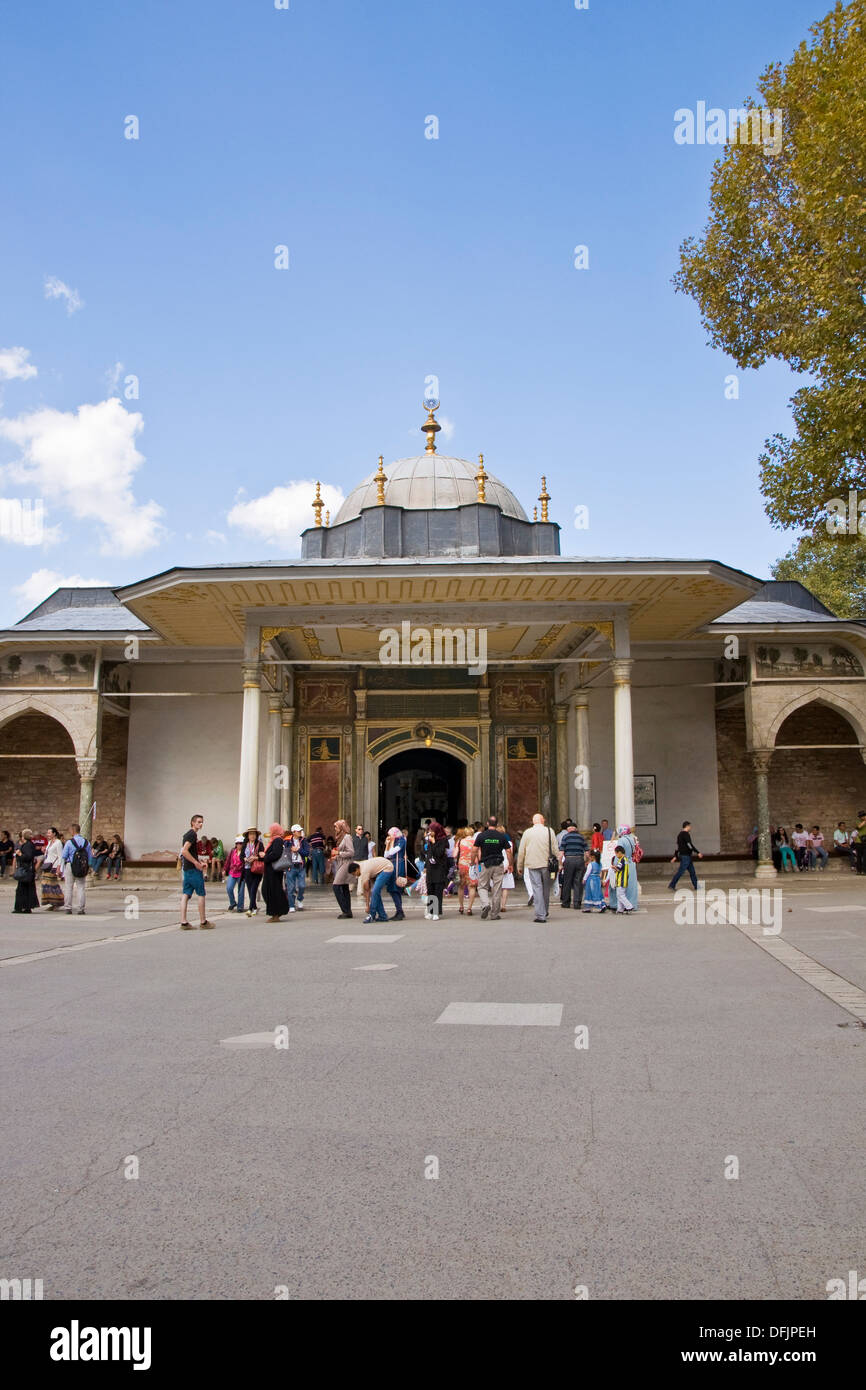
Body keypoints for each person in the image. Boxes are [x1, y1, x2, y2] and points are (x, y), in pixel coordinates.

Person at [516, 813, 556, 923]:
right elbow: (555, 848)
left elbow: (521, 850)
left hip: (532, 864)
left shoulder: (527, 833)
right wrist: (559, 864)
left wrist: (519, 865)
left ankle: (540, 914)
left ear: (533, 821)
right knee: (546, 888)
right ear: (542, 820)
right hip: (546, 864)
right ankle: (545, 910)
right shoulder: (549, 831)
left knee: (537, 888)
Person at [472, 816, 512, 921]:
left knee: (482, 886)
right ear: (497, 824)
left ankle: (485, 904)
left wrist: (472, 862)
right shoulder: (501, 836)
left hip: (485, 864)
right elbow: (508, 851)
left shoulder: (481, 835)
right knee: (497, 889)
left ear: (487, 824)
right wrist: (511, 864)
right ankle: (494, 914)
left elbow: (474, 850)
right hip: (498, 864)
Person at [180, 814, 211, 929]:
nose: (201, 824)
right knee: (201, 894)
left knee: (186, 894)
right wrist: (196, 863)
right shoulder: (192, 834)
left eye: (202, 822)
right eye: (198, 822)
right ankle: (203, 921)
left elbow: (188, 852)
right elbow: (184, 851)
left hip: (187, 869)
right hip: (193, 869)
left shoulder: (188, 834)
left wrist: (198, 860)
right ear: (192, 822)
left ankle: (183, 922)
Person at [350, 853, 396, 923]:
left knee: (375, 891)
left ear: (357, 869)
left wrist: (368, 906)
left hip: (387, 868)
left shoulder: (364, 870)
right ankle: (382, 916)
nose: (355, 876)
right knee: (376, 893)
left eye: (354, 873)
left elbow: (367, 890)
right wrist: (367, 905)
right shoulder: (362, 865)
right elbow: (368, 888)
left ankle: (372, 915)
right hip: (385, 866)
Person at [61, 822, 91, 916]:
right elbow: (90, 856)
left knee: (68, 887)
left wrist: (61, 868)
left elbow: (64, 856)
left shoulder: (69, 842)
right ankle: (81, 908)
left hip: (71, 865)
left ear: (73, 831)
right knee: (81, 887)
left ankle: (68, 908)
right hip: (82, 866)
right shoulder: (86, 842)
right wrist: (88, 867)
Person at [263, 823, 289, 921]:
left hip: (273, 871)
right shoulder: (274, 840)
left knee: (272, 891)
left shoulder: (277, 840)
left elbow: (276, 854)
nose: (270, 832)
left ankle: (276, 913)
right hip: (271, 871)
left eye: (271, 830)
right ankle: (277, 911)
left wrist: (265, 857)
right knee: (269, 891)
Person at [423, 821, 450, 920]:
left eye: (431, 830)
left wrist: (434, 842)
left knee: (438, 890)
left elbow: (439, 853)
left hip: (439, 868)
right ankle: (430, 910)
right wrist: (426, 866)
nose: (430, 832)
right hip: (431, 868)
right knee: (430, 889)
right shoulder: (429, 840)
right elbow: (428, 853)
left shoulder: (443, 840)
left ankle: (436, 912)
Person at [559, 820, 587, 909]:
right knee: (578, 882)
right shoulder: (581, 837)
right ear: (576, 829)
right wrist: (586, 861)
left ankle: (566, 903)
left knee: (567, 881)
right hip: (579, 859)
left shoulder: (565, 837)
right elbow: (587, 852)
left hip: (569, 859)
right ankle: (577, 903)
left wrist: (560, 864)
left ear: (568, 829)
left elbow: (561, 853)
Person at [12, 829, 42, 913]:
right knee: (24, 889)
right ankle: (25, 907)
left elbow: (28, 857)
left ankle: (23, 907)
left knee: (23, 889)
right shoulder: (28, 844)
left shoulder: (28, 845)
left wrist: (20, 854)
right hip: (26, 869)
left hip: (26, 870)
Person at [331, 819, 356, 918]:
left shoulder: (347, 837)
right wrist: (336, 857)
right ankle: (347, 911)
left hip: (346, 864)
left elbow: (351, 852)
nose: (335, 829)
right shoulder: (340, 838)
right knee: (344, 886)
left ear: (342, 827)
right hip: (341, 863)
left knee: (336, 886)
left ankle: (345, 910)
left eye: (336, 827)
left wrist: (338, 853)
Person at [668, 822, 703, 891]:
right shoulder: (685, 834)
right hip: (685, 856)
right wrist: (697, 852)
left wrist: (675, 856)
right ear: (687, 826)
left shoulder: (679, 835)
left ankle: (697, 886)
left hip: (686, 856)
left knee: (692, 872)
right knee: (681, 871)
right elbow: (689, 845)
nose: (690, 828)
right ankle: (672, 885)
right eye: (690, 826)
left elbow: (679, 847)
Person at [613, 824, 640, 909]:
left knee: (622, 887)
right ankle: (633, 904)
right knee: (631, 886)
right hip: (631, 863)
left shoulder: (621, 840)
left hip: (623, 864)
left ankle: (623, 906)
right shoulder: (632, 838)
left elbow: (619, 854)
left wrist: (615, 865)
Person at [383, 826, 407, 920]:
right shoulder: (394, 841)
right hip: (392, 864)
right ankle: (399, 910)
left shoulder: (401, 840)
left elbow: (393, 852)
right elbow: (386, 854)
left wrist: (391, 842)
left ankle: (399, 911)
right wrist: (387, 844)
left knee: (396, 888)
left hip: (398, 865)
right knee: (392, 889)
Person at [284, 825, 308, 912]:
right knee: (291, 887)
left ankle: (300, 898)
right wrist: (291, 849)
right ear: (293, 832)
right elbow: (284, 852)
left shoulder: (303, 841)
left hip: (301, 866)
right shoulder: (287, 841)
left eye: (300, 831)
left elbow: (306, 852)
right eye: (298, 831)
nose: (300, 832)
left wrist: (298, 850)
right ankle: (291, 905)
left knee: (302, 885)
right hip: (291, 866)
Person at [40, 826, 65, 910]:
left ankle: (56, 902)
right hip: (47, 864)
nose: (48, 834)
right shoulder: (49, 842)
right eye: (47, 833)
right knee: (46, 885)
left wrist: (59, 867)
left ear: (54, 833)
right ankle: (51, 902)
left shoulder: (58, 843)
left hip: (53, 866)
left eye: (49, 833)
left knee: (52, 884)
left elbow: (60, 856)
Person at [242, 827, 264, 916]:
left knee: (254, 888)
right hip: (247, 868)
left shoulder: (260, 844)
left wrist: (255, 858)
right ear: (248, 835)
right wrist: (245, 859)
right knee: (250, 888)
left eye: (254, 834)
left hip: (257, 869)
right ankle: (254, 907)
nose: (252, 836)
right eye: (250, 834)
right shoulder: (245, 844)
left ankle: (250, 908)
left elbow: (263, 857)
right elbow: (241, 856)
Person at [456, 826, 477, 916]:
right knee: (471, 886)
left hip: (462, 865)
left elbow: (454, 854)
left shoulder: (460, 841)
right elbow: (478, 854)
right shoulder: (475, 841)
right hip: (472, 865)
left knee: (461, 886)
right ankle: (469, 908)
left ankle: (461, 907)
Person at [611, 844, 635, 914]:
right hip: (623, 881)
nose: (616, 855)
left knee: (620, 895)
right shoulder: (625, 859)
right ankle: (620, 909)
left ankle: (629, 906)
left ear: (619, 853)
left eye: (616, 853)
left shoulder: (622, 860)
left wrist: (613, 867)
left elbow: (618, 868)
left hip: (621, 881)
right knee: (619, 895)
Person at [224, 835, 246, 911]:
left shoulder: (245, 852)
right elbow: (228, 860)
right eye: (238, 843)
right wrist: (225, 869)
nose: (239, 845)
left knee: (241, 891)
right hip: (232, 872)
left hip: (241, 873)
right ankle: (232, 902)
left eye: (241, 843)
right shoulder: (233, 851)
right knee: (229, 888)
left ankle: (240, 907)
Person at [499, 824, 515, 910]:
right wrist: (511, 864)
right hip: (506, 863)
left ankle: (496, 904)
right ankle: (503, 905)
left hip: (496, 863)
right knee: (505, 887)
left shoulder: (494, 841)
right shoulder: (509, 843)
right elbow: (510, 854)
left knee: (496, 886)